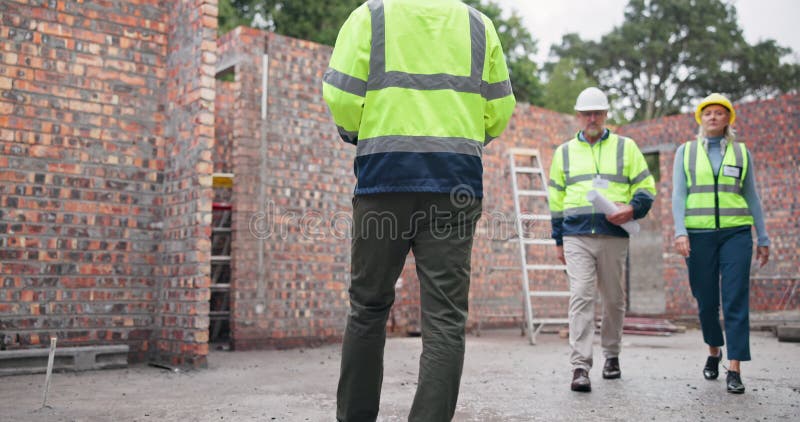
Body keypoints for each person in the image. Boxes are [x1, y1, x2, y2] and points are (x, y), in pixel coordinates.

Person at [322, 0, 515, 420]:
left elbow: (340, 96)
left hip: (384, 179)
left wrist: (359, 131)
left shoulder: (370, 16)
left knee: (368, 307)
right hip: (455, 185)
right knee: (445, 318)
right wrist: (462, 137)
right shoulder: (479, 26)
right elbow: (498, 111)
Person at [547, 87, 656, 393]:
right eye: (586, 113)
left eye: (597, 113)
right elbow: (555, 200)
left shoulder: (627, 148)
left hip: (613, 235)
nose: (592, 118)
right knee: (580, 295)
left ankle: (612, 355)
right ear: (577, 117)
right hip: (576, 235)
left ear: (606, 115)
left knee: (613, 298)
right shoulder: (564, 153)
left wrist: (633, 209)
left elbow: (647, 187)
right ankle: (580, 366)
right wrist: (558, 240)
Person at [672, 93, 770, 394]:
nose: (713, 117)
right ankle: (714, 350)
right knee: (706, 301)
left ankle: (736, 367)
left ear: (728, 119)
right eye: (708, 112)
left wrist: (762, 235)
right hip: (699, 235)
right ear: (700, 118)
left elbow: (751, 195)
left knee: (735, 299)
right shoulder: (685, 152)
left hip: (736, 233)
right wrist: (680, 231)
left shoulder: (741, 153)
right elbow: (679, 195)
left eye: (719, 113)